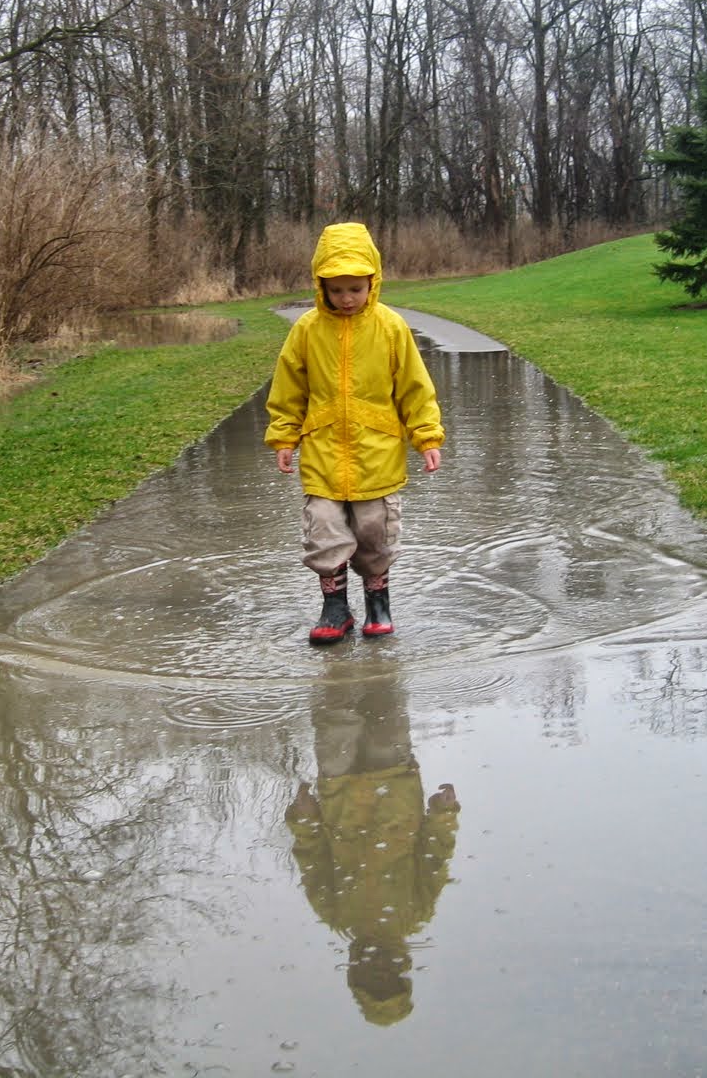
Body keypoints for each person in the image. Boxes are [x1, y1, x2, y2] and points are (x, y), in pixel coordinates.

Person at [265, 222, 444, 644]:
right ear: (322, 287)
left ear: (372, 283)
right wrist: (285, 436)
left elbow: (414, 387)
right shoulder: (307, 329)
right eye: (337, 290)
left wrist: (427, 436)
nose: (346, 299)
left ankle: (378, 603)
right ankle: (335, 607)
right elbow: (289, 387)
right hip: (324, 452)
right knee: (324, 531)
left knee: (374, 533)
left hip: (377, 453)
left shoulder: (390, 327)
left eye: (355, 289)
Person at [285, 678, 460, 1025]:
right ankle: (381, 665)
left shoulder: (336, 916)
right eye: (388, 978)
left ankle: (335, 666)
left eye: (371, 979)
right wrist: (442, 815)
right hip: (394, 785)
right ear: (402, 971)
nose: (379, 969)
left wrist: (306, 821)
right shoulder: (416, 913)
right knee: (387, 716)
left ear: (355, 973)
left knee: (336, 724)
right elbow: (435, 857)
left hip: (340, 795)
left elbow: (313, 859)